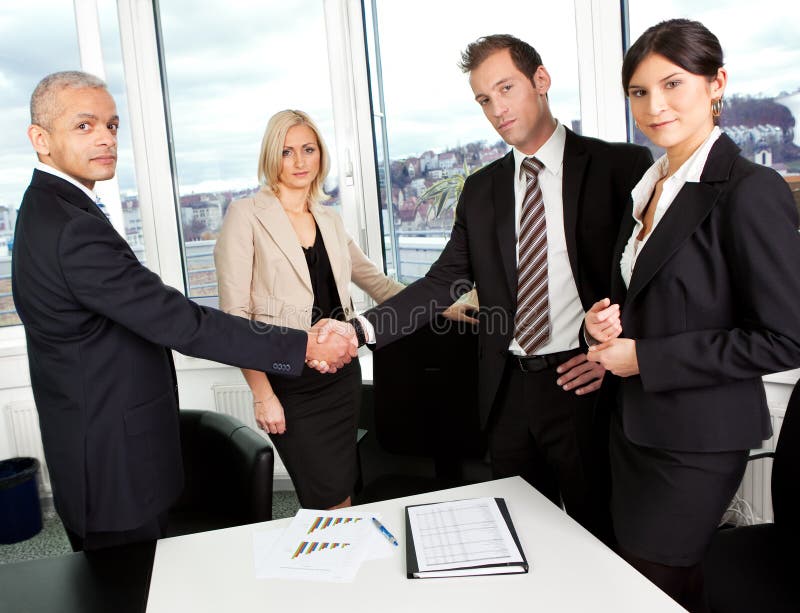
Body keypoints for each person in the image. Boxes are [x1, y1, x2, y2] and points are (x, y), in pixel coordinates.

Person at [322, 34, 652, 543]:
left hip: (585, 386)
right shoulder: (481, 190)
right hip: (508, 395)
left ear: (540, 81)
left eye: (506, 88)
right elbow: (440, 284)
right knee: (517, 535)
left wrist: (610, 350)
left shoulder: (621, 167)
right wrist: (358, 330)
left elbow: (647, 278)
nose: (497, 109)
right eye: (483, 99)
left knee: (598, 534)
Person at [11, 71, 354, 551]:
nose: (106, 138)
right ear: (40, 139)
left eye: (112, 126)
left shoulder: (54, 210)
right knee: (130, 586)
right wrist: (302, 345)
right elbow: (179, 320)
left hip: (100, 443)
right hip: (113, 462)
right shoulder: (71, 226)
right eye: (85, 126)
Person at [583, 19, 800, 611]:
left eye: (672, 84)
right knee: (667, 583)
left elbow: (787, 337)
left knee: (649, 586)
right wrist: (604, 323)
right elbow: (656, 295)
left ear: (716, 84)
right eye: (639, 92)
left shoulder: (749, 189)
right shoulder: (649, 186)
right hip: (633, 428)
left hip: (696, 442)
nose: (655, 106)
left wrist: (644, 357)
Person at [214, 110, 404, 510]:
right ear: (271, 156)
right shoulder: (246, 215)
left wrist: (446, 303)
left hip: (340, 377)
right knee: (327, 498)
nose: (299, 162)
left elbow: (377, 282)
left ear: (321, 155)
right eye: (287, 152)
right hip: (289, 383)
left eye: (308, 149)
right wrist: (262, 395)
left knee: (345, 493)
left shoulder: (329, 219)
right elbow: (235, 318)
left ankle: (339, 567)